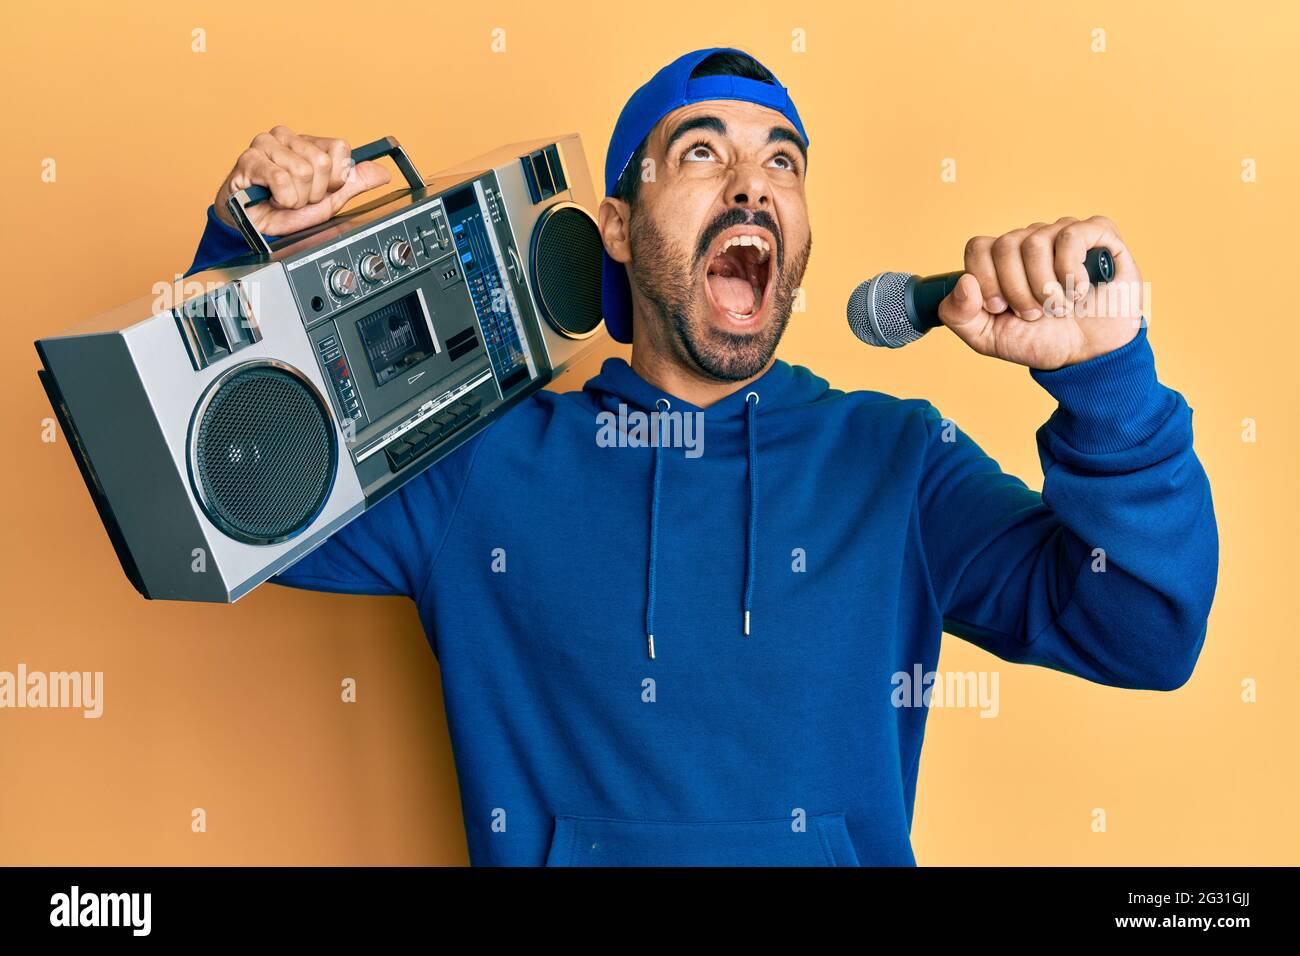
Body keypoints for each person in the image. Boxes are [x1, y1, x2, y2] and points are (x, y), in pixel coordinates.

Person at [185, 47, 1218, 866]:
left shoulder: (896, 461)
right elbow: (213, 510)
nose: (753, 185)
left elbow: (1145, 633)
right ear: (620, 231)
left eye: (782, 161)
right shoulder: (480, 470)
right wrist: (246, 250)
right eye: (701, 153)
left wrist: (1108, 379)